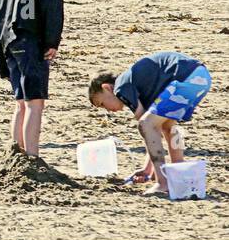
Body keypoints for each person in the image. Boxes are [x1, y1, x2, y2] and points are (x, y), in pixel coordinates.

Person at [89, 53, 211, 195]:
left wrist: (149, 169)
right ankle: (179, 173)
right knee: (168, 125)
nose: (108, 110)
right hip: (200, 76)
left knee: (145, 124)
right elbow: (155, 131)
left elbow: (148, 128)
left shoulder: (121, 87)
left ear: (107, 88)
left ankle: (163, 182)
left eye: (102, 103)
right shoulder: (139, 86)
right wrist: (148, 170)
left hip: (186, 77)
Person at [0, 0, 63, 158]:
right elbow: (51, 0)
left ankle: (16, 156)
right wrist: (52, 39)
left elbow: (0, 12)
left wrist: (1, 57)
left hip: (9, 39)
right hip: (30, 35)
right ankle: (32, 158)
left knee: (21, 103)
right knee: (35, 102)